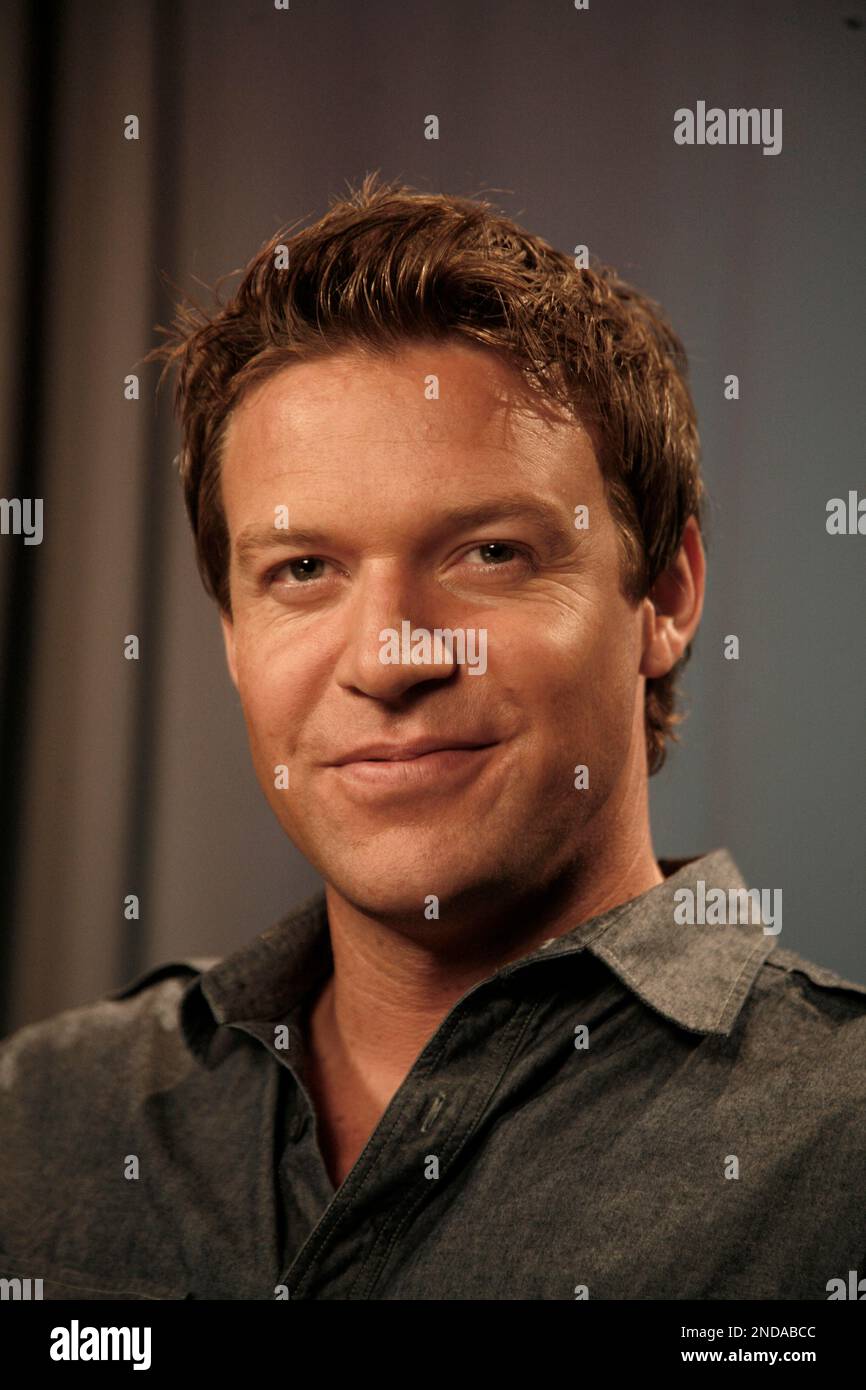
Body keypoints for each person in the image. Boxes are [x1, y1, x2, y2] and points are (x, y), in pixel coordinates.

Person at [2, 175, 864, 1301]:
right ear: (230, 633)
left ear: (662, 594)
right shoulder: (43, 1114)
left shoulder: (836, 1150)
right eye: (302, 571)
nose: (387, 659)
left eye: (487, 554)